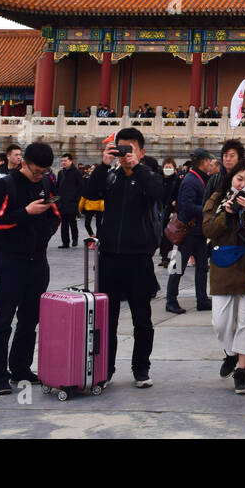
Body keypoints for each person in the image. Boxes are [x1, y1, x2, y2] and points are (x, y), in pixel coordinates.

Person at [84, 127, 163, 387]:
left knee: (143, 318)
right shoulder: (110, 177)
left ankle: (141, 369)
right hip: (109, 256)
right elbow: (91, 193)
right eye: (121, 148)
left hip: (139, 257)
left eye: (129, 148)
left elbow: (157, 193)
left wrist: (136, 167)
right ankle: (105, 369)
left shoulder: (147, 175)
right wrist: (103, 164)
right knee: (108, 318)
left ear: (140, 150)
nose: (124, 153)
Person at [0, 142, 60, 394]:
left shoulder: (47, 183)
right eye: (37, 171)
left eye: (45, 171)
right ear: (23, 163)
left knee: (30, 320)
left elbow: (56, 215)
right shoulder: (5, 185)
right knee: (3, 320)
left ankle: (21, 368)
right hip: (10, 261)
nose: (41, 176)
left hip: (37, 262)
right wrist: (26, 212)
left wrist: (45, 232)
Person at [202, 162, 245, 394]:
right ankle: (230, 352)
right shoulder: (217, 200)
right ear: (231, 179)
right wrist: (226, 213)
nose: (243, 185)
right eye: (239, 179)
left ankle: (243, 372)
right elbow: (208, 230)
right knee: (221, 323)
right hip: (223, 266)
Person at [166, 147, 215, 314]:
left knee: (202, 266)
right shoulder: (190, 180)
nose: (210, 164)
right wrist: (207, 209)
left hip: (199, 232)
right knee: (178, 266)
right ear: (202, 162)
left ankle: (202, 299)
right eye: (208, 161)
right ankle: (171, 300)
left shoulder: (200, 178)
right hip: (188, 232)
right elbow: (186, 207)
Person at [54, 153, 82, 249]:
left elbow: (80, 187)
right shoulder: (60, 173)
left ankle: (75, 239)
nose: (63, 163)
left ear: (71, 161)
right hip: (62, 202)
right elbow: (57, 187)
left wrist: (76, 200)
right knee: (64, 223)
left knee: (72, 222)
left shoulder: (77, 172)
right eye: (62, 161)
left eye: (65, 161)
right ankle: (65, 242)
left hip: (72, 202)